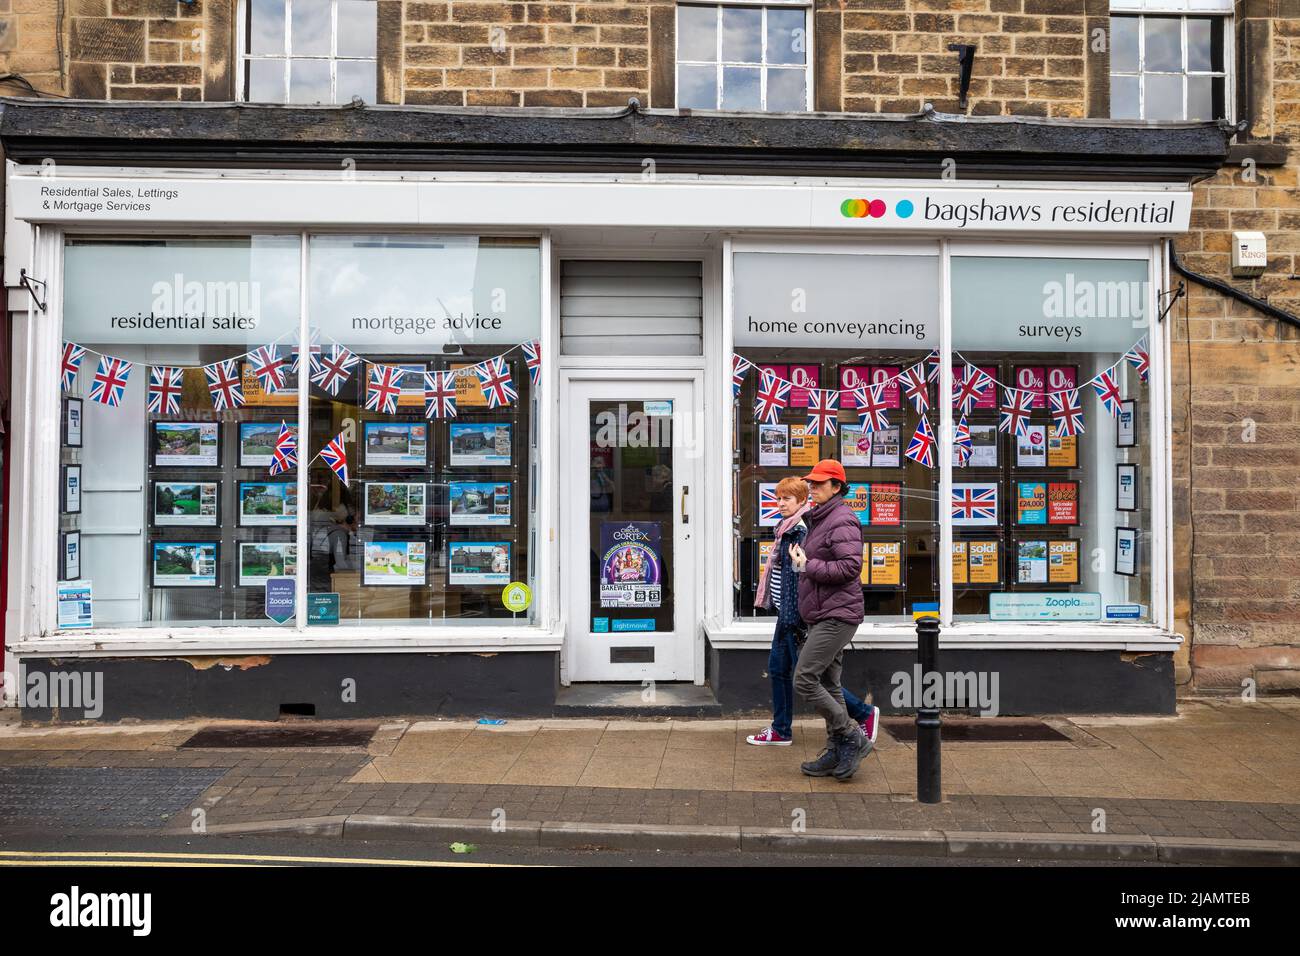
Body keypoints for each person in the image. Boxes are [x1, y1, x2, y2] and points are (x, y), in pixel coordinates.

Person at [747, 477, 879, 746]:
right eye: (778, 498)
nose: (780, 503)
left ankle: (858, 718)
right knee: (781, 669)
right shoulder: (785, 528)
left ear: (801, 502)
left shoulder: (801, 529)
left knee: (806, 677)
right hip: (788, 614)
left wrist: (797, 617)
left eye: (787, 499)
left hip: (797, 616)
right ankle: (782, 729)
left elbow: (802, 575)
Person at [790, 459, 875, 780]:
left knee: (804, 678)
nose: (812, 488)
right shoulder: (822, 518)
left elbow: (849, 568)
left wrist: (807, 565)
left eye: (819, 484)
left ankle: (851, 734)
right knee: (828, 683)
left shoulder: (842, 520)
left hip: (837, 615)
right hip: (823, 612)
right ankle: (838, 749)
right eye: (811, 483)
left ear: (837, 487)